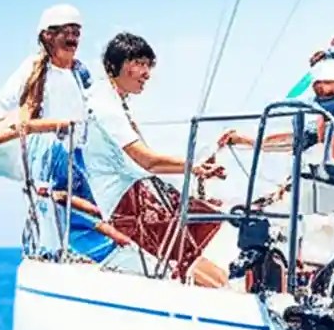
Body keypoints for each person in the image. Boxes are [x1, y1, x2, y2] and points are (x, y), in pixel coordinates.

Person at [81, 31, 228, 285]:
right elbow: (146, 160)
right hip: (124, 203)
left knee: (207, 218)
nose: (147, 73)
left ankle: (228, 289)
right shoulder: (105, 106)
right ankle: (227, 296)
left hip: (138, 192)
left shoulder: (115, 101)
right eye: (139, 64)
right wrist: (194, 168)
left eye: (148, 65)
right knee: (189, 252)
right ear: (116, 65)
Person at [217, 42, 334, 188]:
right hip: (330, 158)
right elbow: (297, 139)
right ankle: (240, 140)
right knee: (298, 141)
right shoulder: (327, 106)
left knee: (305, 150)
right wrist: (242, 140)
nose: (318, 85)